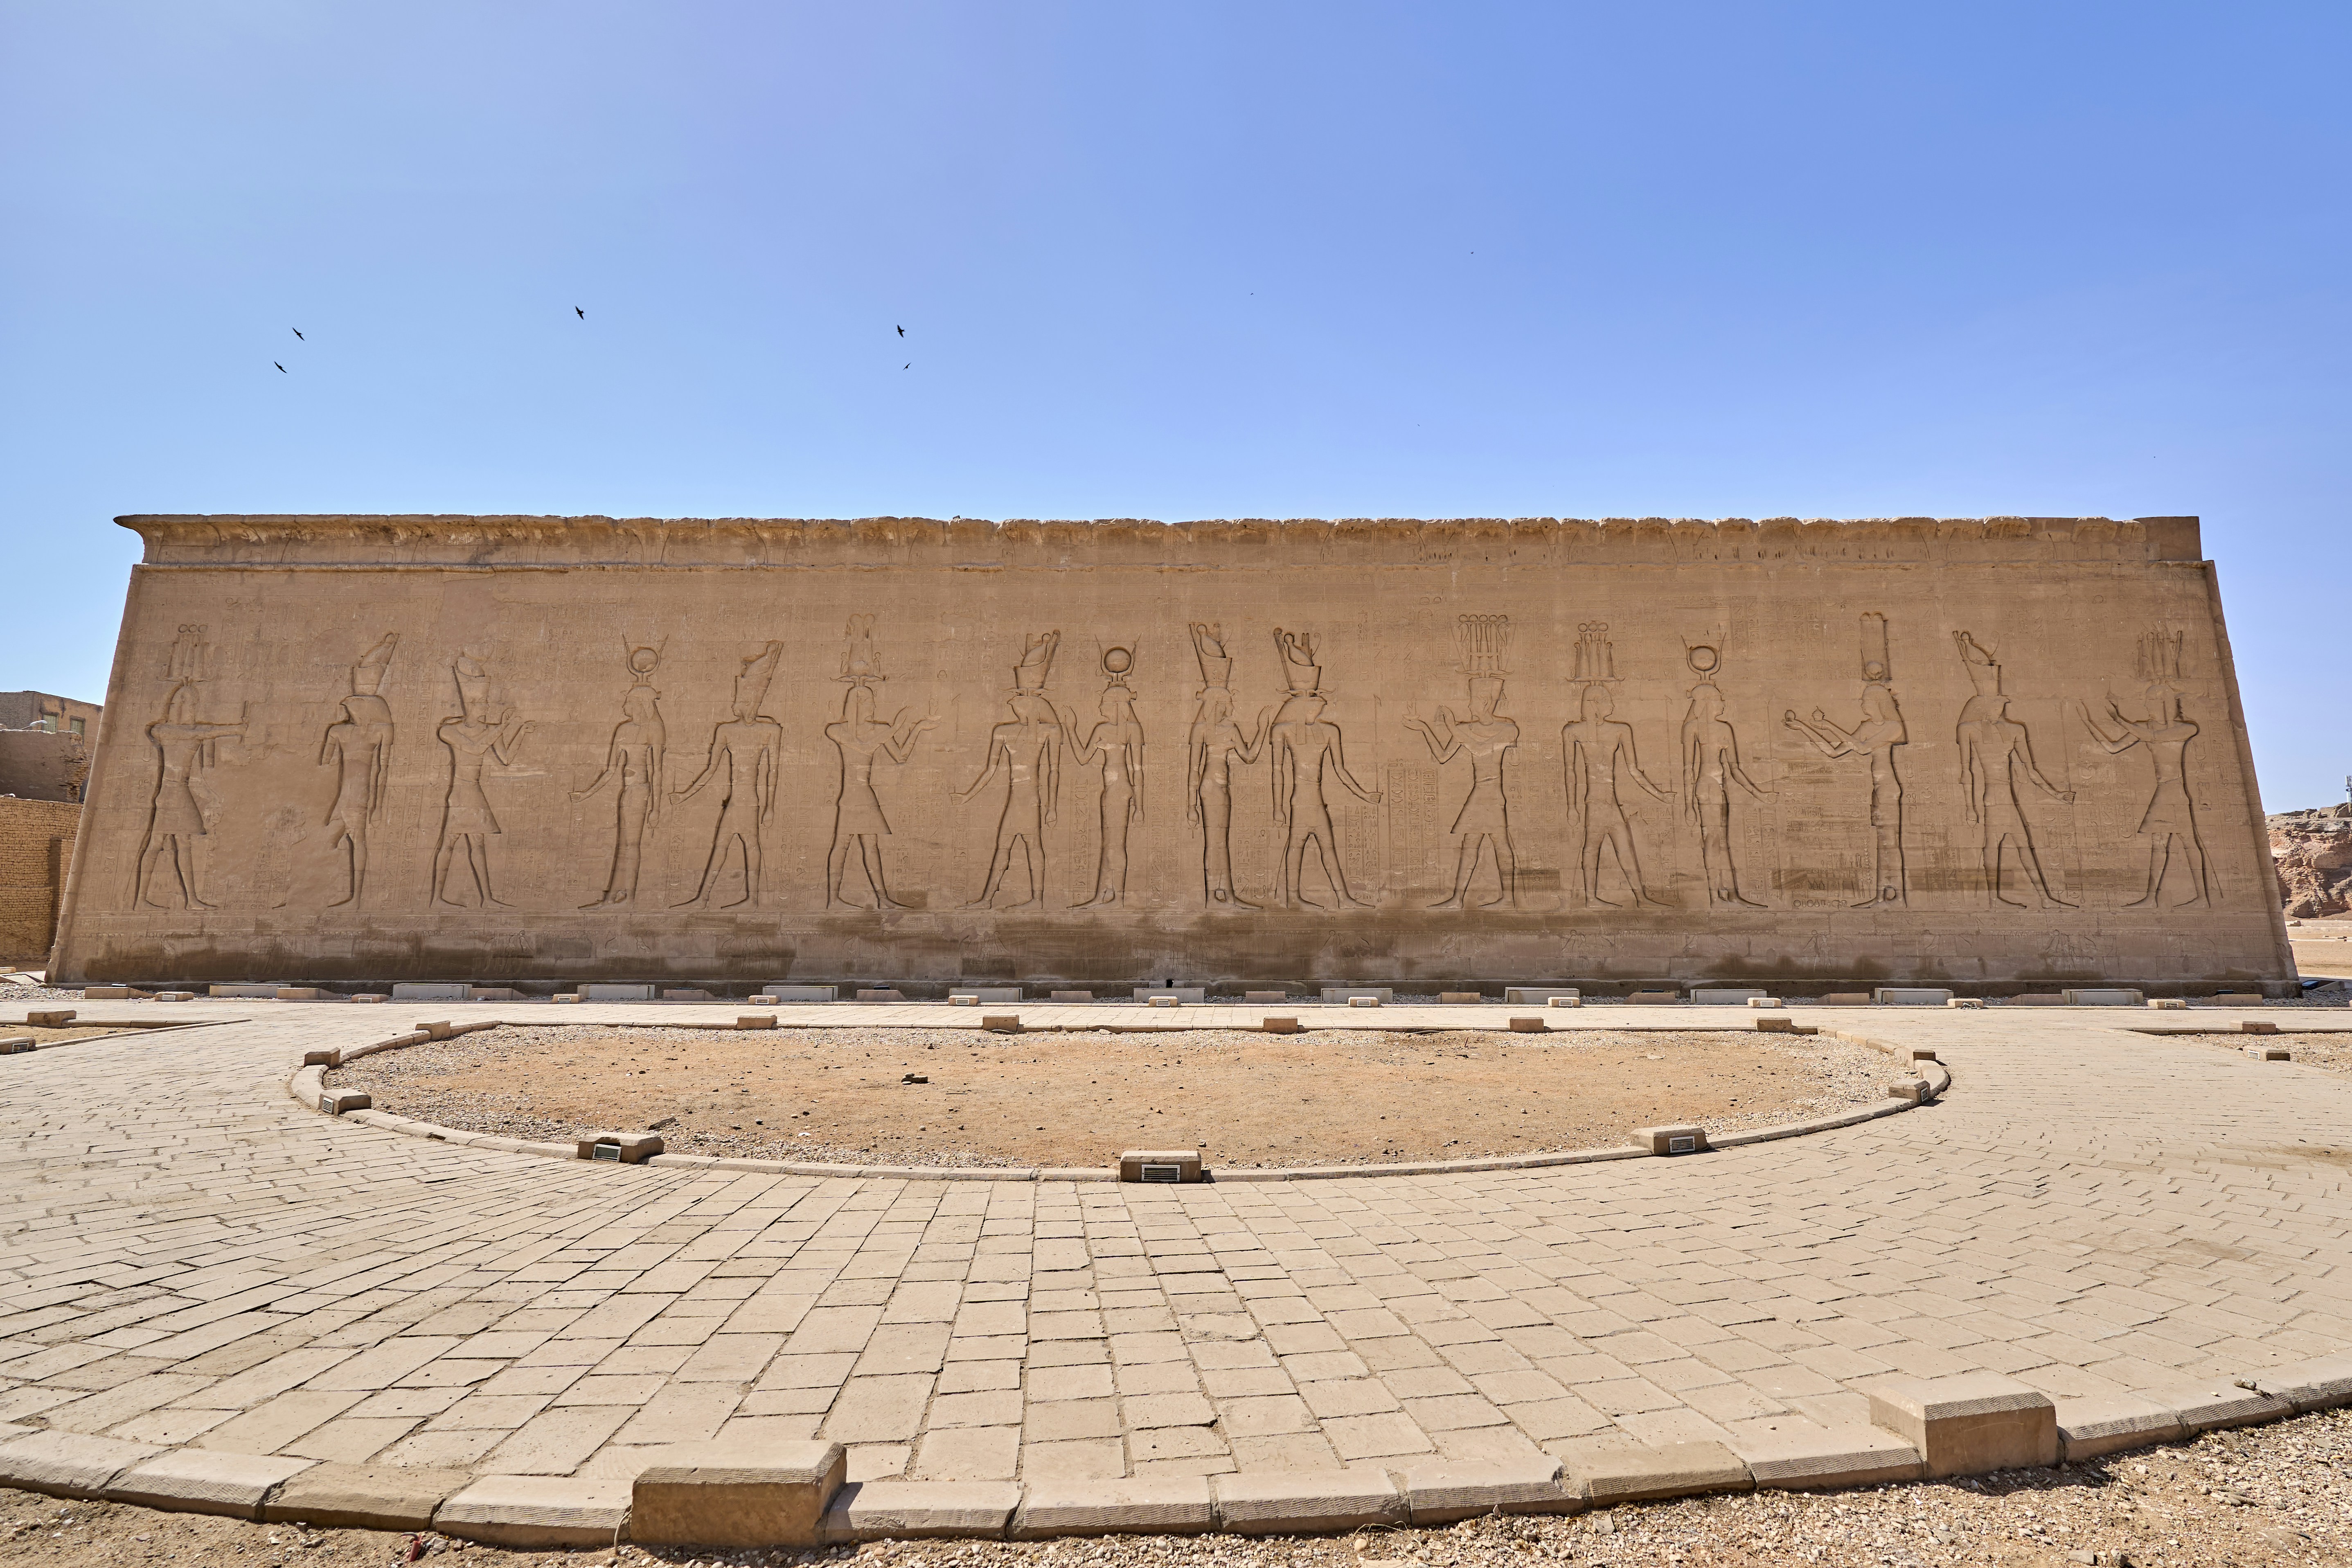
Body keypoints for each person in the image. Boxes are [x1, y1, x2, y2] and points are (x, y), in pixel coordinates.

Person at [672, 643, 783, 909]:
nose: (751, 705)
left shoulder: (771, 731)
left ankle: (734, 899)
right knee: (733, 845)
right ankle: (710, 898)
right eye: (748, 700)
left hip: (750, 801)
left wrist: (770, 808)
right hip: (737, 800)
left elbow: (773, 771)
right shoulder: (726, 730)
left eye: (755, 699)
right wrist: (685, 794)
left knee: (745, 845)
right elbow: (711, 770)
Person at [2077, 691, 2209, 907]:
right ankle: (2151, 898)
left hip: (2175, 791)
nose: (2148, 709)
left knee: (2188, 842)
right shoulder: (2146, 728)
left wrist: (2118, 719)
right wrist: (2089, 721)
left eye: (2152, 704)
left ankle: (2203, 898)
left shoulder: (2186, 729)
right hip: (2162, 792)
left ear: (2167, 705)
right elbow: (2113, 748)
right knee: (2158, 844)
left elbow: (2155, 738)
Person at [1784, 683, 1908, 907]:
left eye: (1865, 701)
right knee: (1883, 843)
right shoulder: (1868, 726)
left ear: (1879, 703)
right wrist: (1804, 727)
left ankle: (1898, 898)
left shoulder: (1893, 727)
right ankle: (1881, 897)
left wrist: (1829, 725)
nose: (1862, 705)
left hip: (1889, 788)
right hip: (1878, 789)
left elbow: (1861, 748)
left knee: (1890, 843)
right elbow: (1833, 752)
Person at [1404, 677, 1520, 909]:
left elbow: (1481, 750)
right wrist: (1425, 729)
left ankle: (1508, 898)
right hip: (1478, 793)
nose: (1469, 707)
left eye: (1472, 702)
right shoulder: (1465, 730)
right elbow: (1443, 757)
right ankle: (1457, 900)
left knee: (1501, 843)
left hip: (1493, 794)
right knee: (1470, 845)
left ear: (1485, 702)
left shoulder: (1508, 729)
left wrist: (1452, 728)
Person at [135, 684, 248, 910]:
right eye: (181, 703)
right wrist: (236, 729)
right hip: (169, 794)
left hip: (181, 792)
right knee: (156, 844)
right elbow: (201, 733)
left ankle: (191, 900)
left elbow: (195, 774)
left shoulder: (191, 733)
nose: (185, 708)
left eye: (190, 704)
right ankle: (140, 901)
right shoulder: (165, 731)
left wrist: (212, 797)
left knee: (183, 844)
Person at [1958, 694, 2075, 909]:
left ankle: (2044, 899)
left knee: (2023, 845)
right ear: (1983, 708)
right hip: (1993, 799)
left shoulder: (2015, 730)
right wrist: (1969, 808)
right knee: (1993, 846)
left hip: (2007, 798)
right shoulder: (1969, 729)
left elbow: (2031, 771)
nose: (1996, 713)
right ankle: (1995, 901)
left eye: (2000, 709)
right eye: (1993, 708)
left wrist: (2056, 794)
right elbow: (1967, 772)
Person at [825, 683, 935, 908]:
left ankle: (883, 900)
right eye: (868, 702)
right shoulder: (836, 730)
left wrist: (917, 729)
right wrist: (896, 727)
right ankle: (833, 899)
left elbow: (901, 757)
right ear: (855, 705)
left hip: (866, 794)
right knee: (842, 844)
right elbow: (864, 748)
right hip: (850, 794)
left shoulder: (879, 730)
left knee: (871, 846)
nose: (873, 706)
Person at [433, 662, 534, 908]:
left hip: (474, 790)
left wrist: (519, 731)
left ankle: (486, 899)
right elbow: (476, 748)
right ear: (470, 706)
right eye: (481, 704)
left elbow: (506, 759)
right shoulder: (450, 730)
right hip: (460, 790)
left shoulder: (490, 729)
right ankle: (436, 899)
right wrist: (504, 727)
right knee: (449, 841)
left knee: (477, 843)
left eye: (486, 703)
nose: (486, 707)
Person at [1561, 685, 1671, 906]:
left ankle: (1640, 899)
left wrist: (1660, 795)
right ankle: (1592, 899)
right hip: (1595, 801)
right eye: (1606, 700)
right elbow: (1570, 771)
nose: (1611, 704)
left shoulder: (1621, 730)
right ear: (1594, 704)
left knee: (1622, 849)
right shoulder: (1573, 731)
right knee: (1593, 848)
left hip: (1609, 801)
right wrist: (1571, 807)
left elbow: (1634, 770)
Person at [1270, 692, 1381, 909]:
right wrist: (1277, 808)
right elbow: (1277, 771)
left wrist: (1363, 794)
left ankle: (1343, 899)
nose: (1317, 713)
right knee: (1297, 845)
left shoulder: (1330, 731)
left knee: (1327, 847)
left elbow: (1340, 769)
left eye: (1320, 709)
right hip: (1300, 801)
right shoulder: (1282, 730)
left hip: (1316, 799)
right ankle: (1293, 897)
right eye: (1313, 708)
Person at [957, 692, 1065, 909]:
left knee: (1032, 846)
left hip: (1031, 799)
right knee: (1004, 846)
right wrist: (967, 795)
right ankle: (987, 900)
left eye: (1020, 702)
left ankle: (1037, 900)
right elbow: (990, 770)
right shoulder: (1003, 732)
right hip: (1017, 798)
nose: (1015, 706)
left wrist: (1052, 808)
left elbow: (1054, 771)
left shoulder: (1049, 731)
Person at [574, 685, 666, 908]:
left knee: (631, 846)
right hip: (628, 793)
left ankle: (628, 898)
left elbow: (657, 771)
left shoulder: (655, 729)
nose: (626, 706)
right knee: (623, 846)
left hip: (641, 791)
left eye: (630, 702)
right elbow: (611, 771)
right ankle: (613, 897)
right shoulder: (623, 730)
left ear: (640, 704)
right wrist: (586, 794)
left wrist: (656, 808)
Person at [1187, 682, 1270, 908]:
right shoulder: (1202, 729)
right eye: (1229, 702)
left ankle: (1224, 896)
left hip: (1222, 790)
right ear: (1219, 705)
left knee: (1220, 843)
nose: (1232, 707)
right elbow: (1194, 769)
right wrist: (1191, 806)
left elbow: (1249, 757)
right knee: (1215, 844)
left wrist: (1263, 728)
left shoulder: (1231, 729)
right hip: (1210, 788)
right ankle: (1215, 897)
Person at [1063, 686, 1145, 907]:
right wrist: (1071, 728)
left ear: (1116, 705)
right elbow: (1082, 758)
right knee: (1108, 845)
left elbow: (1138, 769)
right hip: (1110, 791)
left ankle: (1117, 898)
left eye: (1104, 702)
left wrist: (1140, 805)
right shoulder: (1103, 729)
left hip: (1120, 790)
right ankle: (1103, 895)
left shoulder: (1132, 729)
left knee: (1115, 846)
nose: (1100, 707)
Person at [318, 693, 395, 909]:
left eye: (355, 707)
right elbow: (323, 766)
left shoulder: (381, 731)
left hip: (359, 796)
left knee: (357, 841)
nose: (350, 713)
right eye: (349, 708)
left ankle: (357, 899)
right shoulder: (338, 731)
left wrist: (378, 807)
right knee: (327, 841)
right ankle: (312, 892)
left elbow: (382, 770)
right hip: (340, 795)